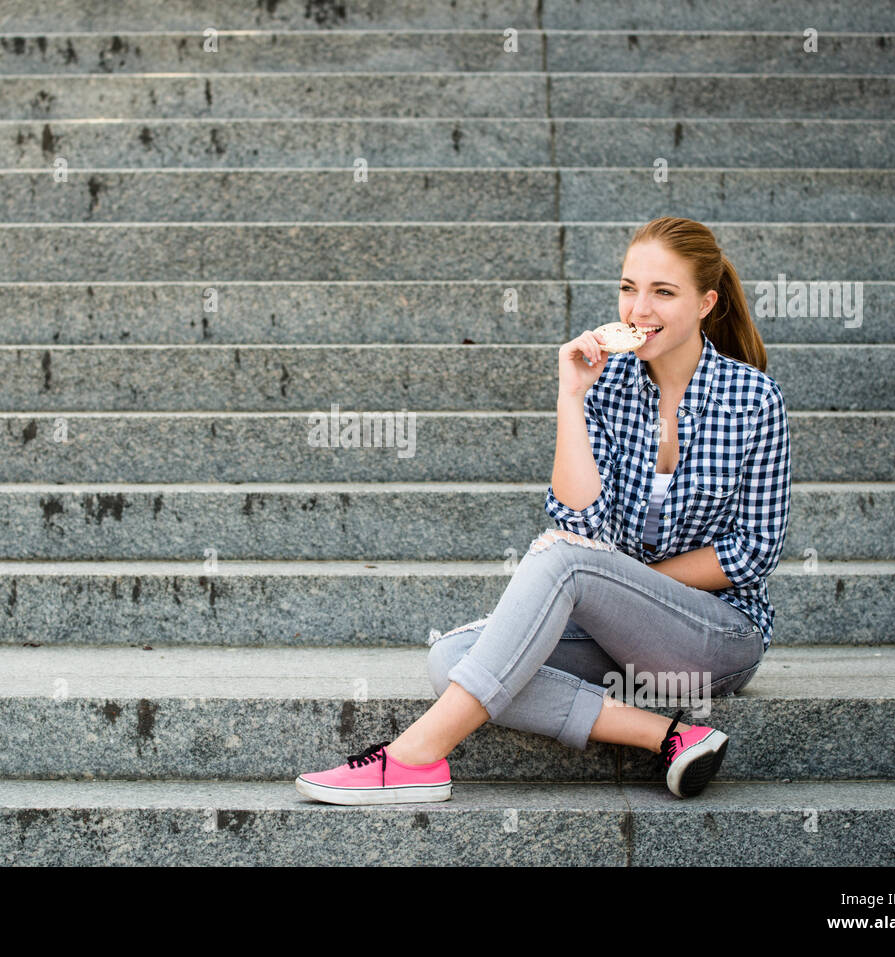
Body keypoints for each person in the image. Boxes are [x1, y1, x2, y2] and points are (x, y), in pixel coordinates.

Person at [295, 216, 792, 804]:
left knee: (565, 562)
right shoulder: (607, 388)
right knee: (452, 658)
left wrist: (628, 585)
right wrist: (571, 396)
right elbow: (582, 523)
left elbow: (752, 552)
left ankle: (412, 759)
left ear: (707, 302)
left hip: (716, 639)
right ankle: (673, 738)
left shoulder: (754, 399)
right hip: (620, 636)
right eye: (629, 288)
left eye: (663, 292)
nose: (638, 310)